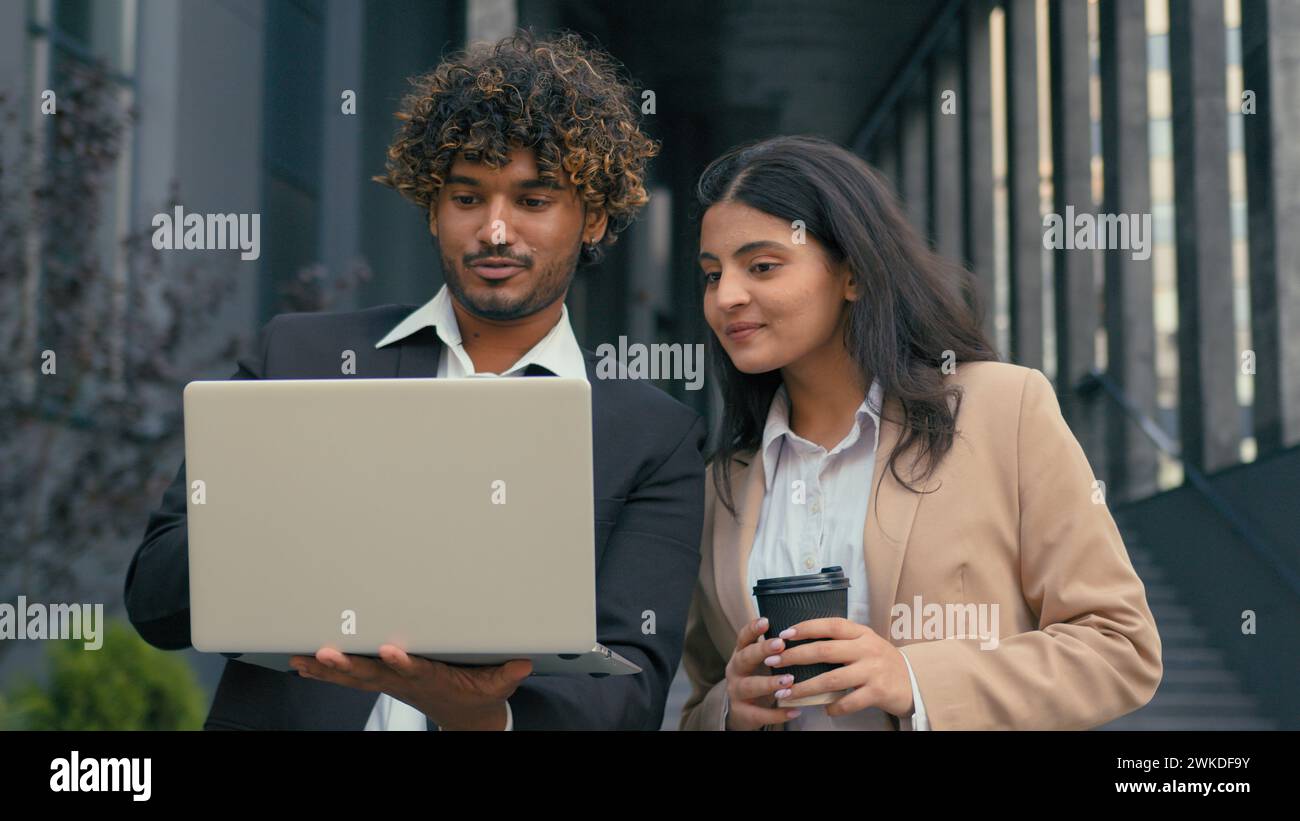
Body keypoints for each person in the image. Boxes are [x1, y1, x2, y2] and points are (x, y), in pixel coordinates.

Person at [125, 31, 705, 731]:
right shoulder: (303, 354)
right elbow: (154, 599)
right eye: (467, 197)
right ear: (433, 207)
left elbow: (629, 696)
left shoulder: (652, 436)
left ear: (595, 218)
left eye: (533, 200)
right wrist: (283, 512)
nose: (494, 230)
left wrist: (479, 711)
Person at [678, 135, 1162, 731]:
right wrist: (731, 710)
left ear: (852, 273)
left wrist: (913, 679)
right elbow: (701, 695)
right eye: (710, 275)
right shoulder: (720, 484)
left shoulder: (1001, 409)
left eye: (762, 266)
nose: (726, 296)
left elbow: (1120, 647)